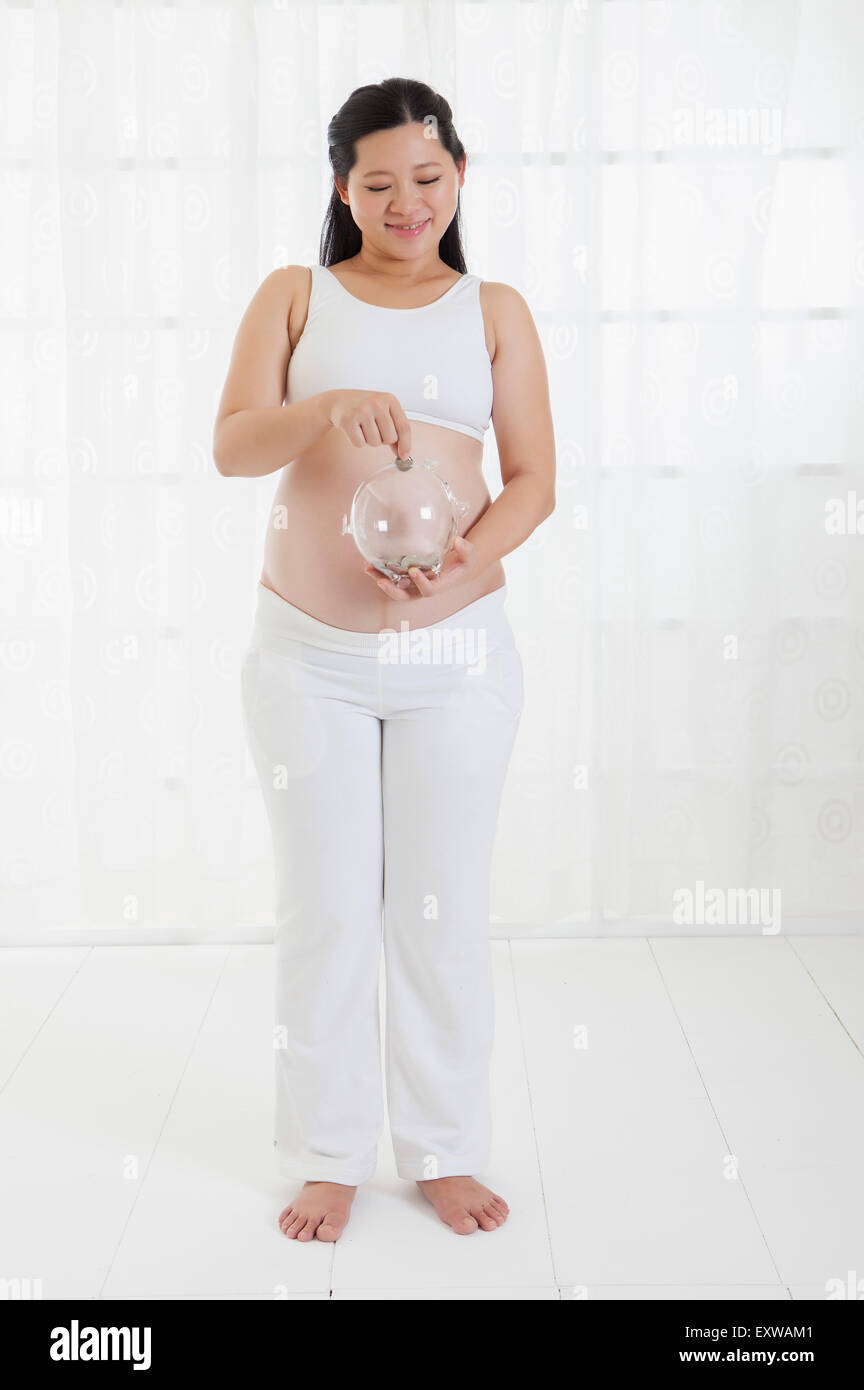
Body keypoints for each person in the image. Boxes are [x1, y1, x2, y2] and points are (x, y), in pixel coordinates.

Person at [213, 78, 556, 1241]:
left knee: (440, 909)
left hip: (457, 657)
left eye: (428, 175)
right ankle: (327, 1151)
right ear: (341, 186)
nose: (406, 200)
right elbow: (229, 445)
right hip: (305, 658)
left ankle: (445, 1145)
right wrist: (328, 408)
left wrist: (453, 573)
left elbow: (535, 486)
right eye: (377, 181)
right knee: (326, 912)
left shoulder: (495, 309)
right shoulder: (296, 295)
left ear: (460, 174)